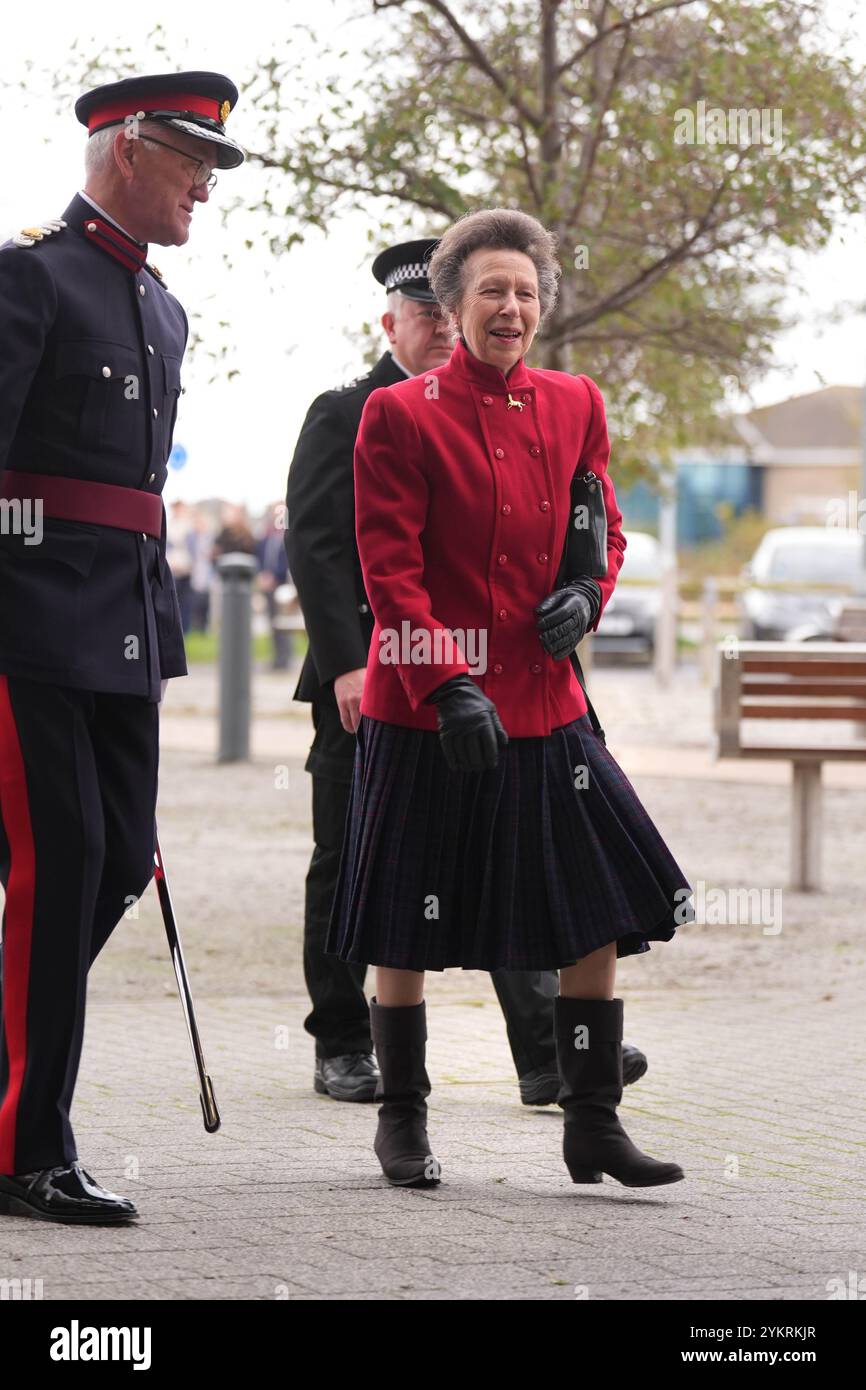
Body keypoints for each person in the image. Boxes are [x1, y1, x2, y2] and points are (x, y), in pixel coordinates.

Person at [327, 208, 695, 1190]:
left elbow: (597, 520)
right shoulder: (396, 414)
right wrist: (446, 680)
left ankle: (591, 1122)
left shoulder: (575, 400)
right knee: (404, 920)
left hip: (543, 707)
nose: (511, 306)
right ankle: (400, 1118)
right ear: (450, 306)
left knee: (595, 910)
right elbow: (389, 571)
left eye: (526, 292)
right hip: (430, 713)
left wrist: (587, 590)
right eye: (491, 288)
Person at [285, 240, 647, 1106]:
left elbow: (588, 527)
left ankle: (545, 1056)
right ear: (393, 323)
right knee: (359, 860)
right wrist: (349, 664)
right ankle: (343, 1042)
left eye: (458, 313)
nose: (449, 329)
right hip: (382, 672)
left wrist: (583, 593)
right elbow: (327, 551)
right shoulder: (352, 411)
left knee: (511, 852)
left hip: (510, 676)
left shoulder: (540, 403)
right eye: (431, 316)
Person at [0, 71, 244, 1224]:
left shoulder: (162, 308)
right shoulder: (29, 277)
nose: (206, 182)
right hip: (32, 625)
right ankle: (23, 1146)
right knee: (54, 873)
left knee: (117, 860)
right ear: (124, 150)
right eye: (191, 158)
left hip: (129, 629)